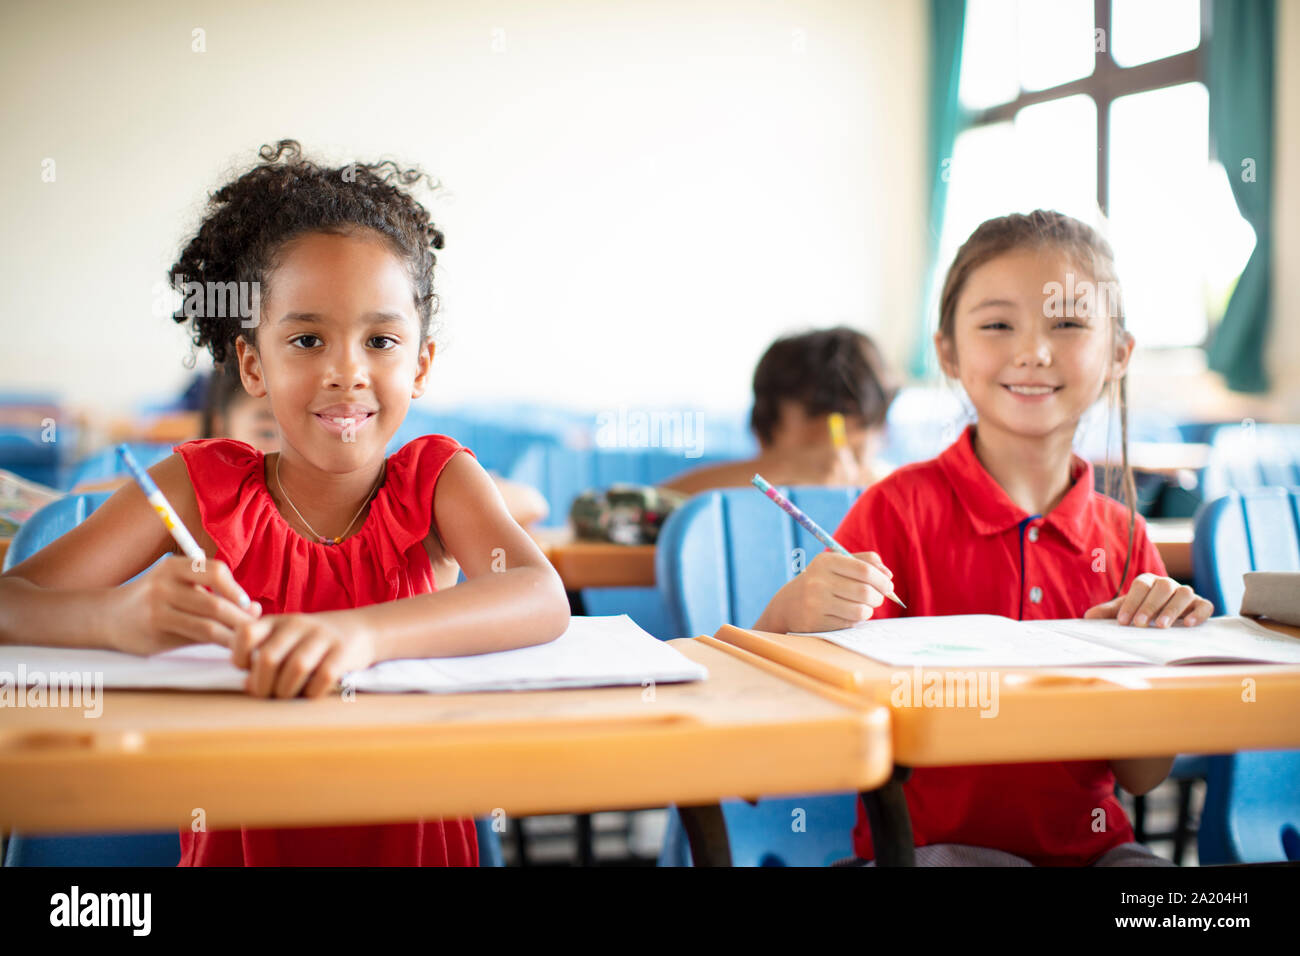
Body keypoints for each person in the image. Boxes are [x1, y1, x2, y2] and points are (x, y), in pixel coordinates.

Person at [0, 139, 571, 866]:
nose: (346, 373)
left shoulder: (437, 481)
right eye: (306, 339)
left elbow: (538, 594)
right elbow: (11, 605)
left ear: (420, 364)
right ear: (252, 364)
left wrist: (360, 637)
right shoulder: (199, 487)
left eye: (381, 340)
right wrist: (119, 617)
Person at [752, 210, 1215, 867]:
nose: (1032, 351)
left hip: (1097, 853)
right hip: (928, 853)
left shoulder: (1124, 535)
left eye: (1070, 323)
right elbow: (780, 716)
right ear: (947, 350)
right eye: (998, 324)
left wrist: (1161, 653)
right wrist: (789, 615)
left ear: (1119, 354)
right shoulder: (896, 513)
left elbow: (1142, 775)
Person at [662, 326, 897, 494]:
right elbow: (648, 508)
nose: (834, 471)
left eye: (856, 455)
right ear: (763, 435)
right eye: (810, 455)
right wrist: (784, 468)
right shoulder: (736, 493)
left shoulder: (889, 490)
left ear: (882, 437)